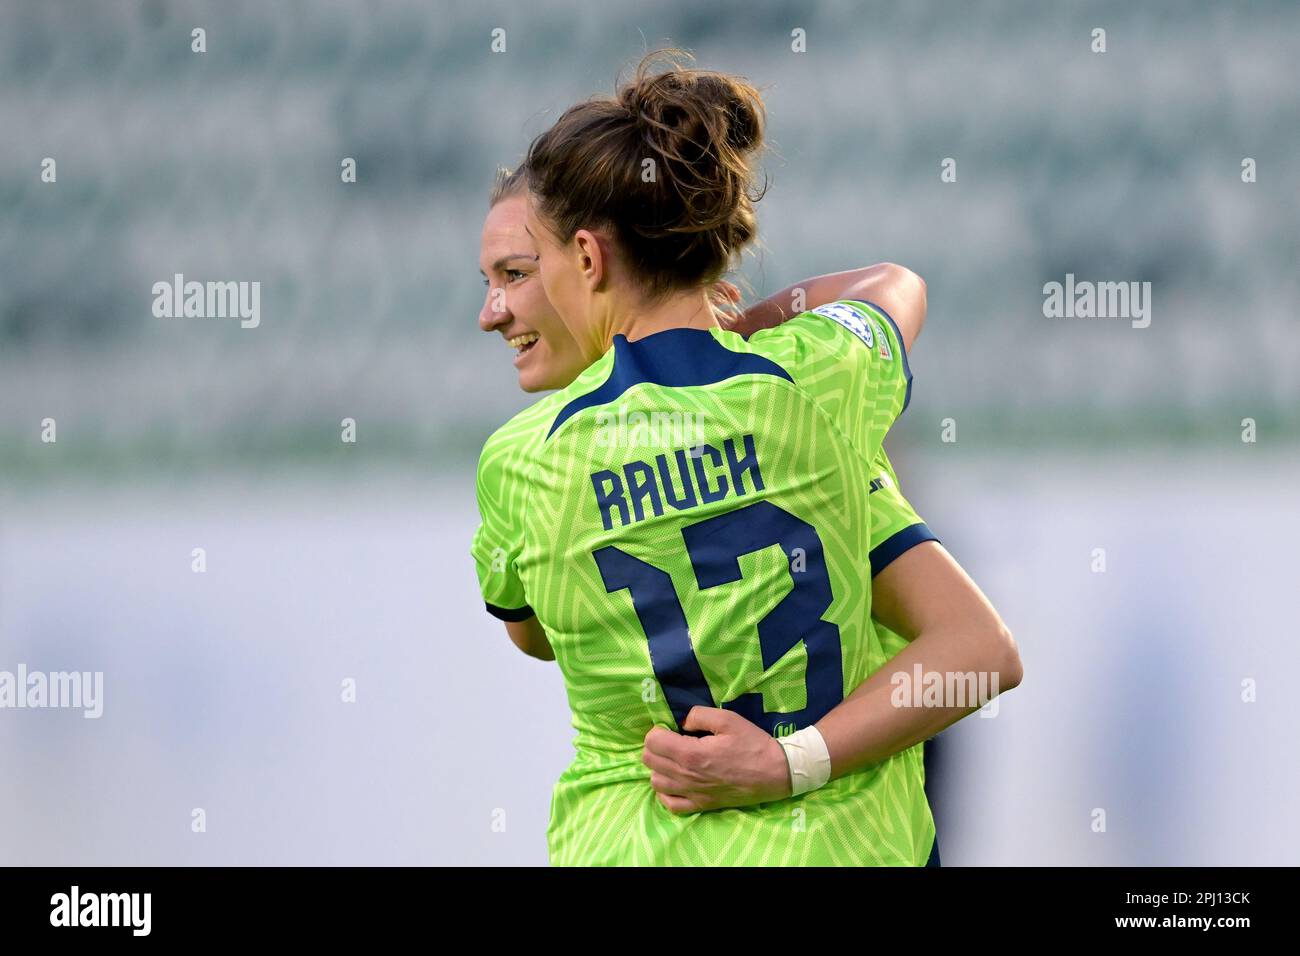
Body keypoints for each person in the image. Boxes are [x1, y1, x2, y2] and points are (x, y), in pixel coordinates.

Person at [471, 52, 1021, 865]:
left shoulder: (523, 461)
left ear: (588, 259)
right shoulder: (817, 390)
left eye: (529, 268)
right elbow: (893, 284)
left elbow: (535, 636)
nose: (499, 309)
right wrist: (757, 322)